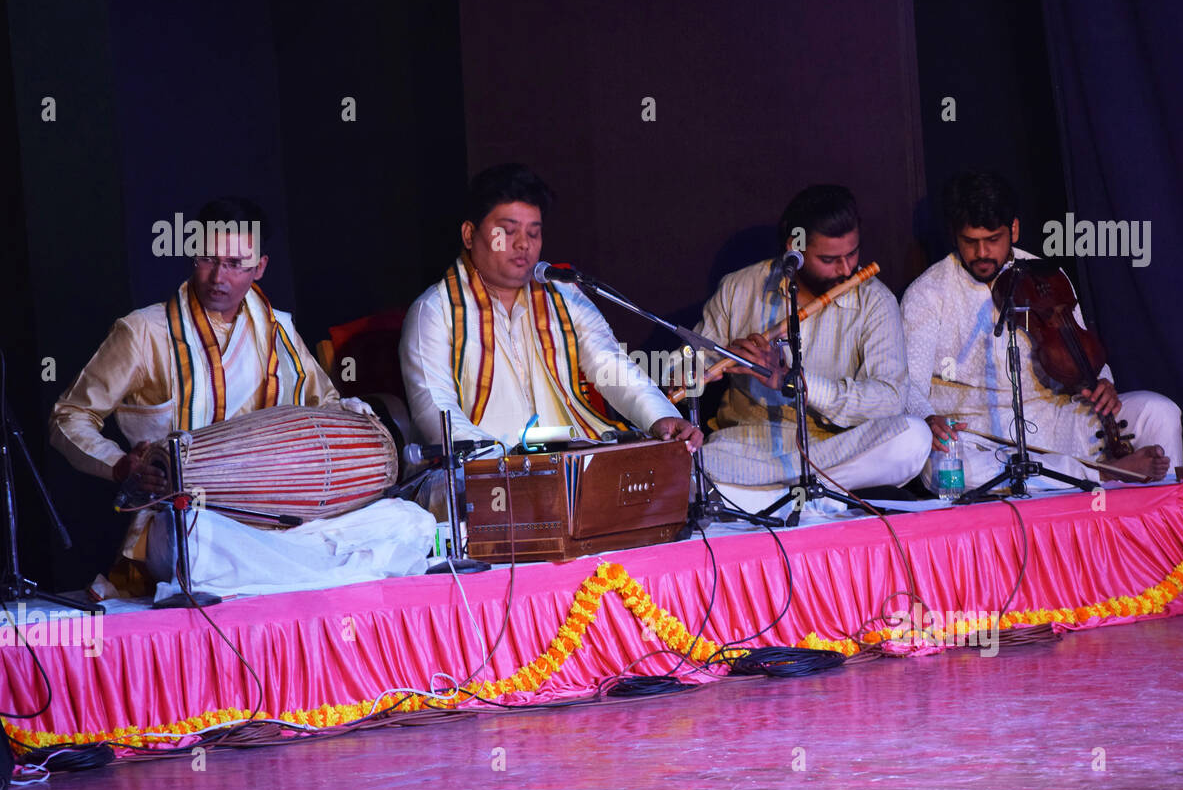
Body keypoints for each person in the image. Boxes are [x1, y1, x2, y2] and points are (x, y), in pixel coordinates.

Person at [50, 196, 436, 600]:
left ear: (260, 268)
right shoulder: (143, 332)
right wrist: (119, 465)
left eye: (236, 264)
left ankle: (283, 573)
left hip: (279, 517)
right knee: (197, 545)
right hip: (186, 519)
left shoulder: (279, 331)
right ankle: (293, 576)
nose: (219, 276)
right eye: (207, 259)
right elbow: (68, 417)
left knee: (408, 522)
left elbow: (326, 410)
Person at [900, 171, 1181, 492]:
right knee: (953, 469)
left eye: (993, 240)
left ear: (1014, 229)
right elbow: (909, 386)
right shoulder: (927, 293)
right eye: (971, 242)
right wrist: (928, 420)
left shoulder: (1048, 276)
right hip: (975, 435)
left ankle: (1164, 526)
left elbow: (1083, 352)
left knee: (1160, 412)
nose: (982, 254)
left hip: (1055, 420)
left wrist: (1103, 382)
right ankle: (1102, 474)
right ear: (954, 236)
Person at [400, 163, 701, 452]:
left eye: (533, 233)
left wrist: (659, 416)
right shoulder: (435, 312)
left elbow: (611, 365)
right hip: (478, 471)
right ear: (469, 234)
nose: (523, 244)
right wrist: (506, 461)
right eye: (507, 231)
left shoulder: (564, 296)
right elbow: (436, 413)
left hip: (567, 458)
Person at [691, 184, 931, 514]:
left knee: (914, 438)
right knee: (687, 472)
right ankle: (819, 502)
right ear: (796, 247)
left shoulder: (875, 301)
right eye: (830, 259)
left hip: (833, 449)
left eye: (853, 253)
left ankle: (774, 503)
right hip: (747, 449)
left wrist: (797, 382)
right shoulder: (739, 288)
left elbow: (890, 399)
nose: (847, 270)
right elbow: (684, 365)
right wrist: (716, 361)